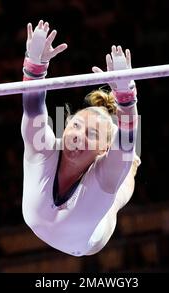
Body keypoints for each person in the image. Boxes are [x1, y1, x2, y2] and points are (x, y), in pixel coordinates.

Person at [21, 20, 140, 256]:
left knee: (120, 182)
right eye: (76, 126)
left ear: (104, 149)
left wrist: (127, 98)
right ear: (65, 127)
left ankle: (131, 164)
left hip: (88, 242)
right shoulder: (43, 150)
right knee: (121, 169)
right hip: (61, 217)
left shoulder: (103, 177)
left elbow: (125, 140)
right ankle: (129, 162)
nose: (78, 137)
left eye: (91, 134)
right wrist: (34, 65)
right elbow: (33, 108)